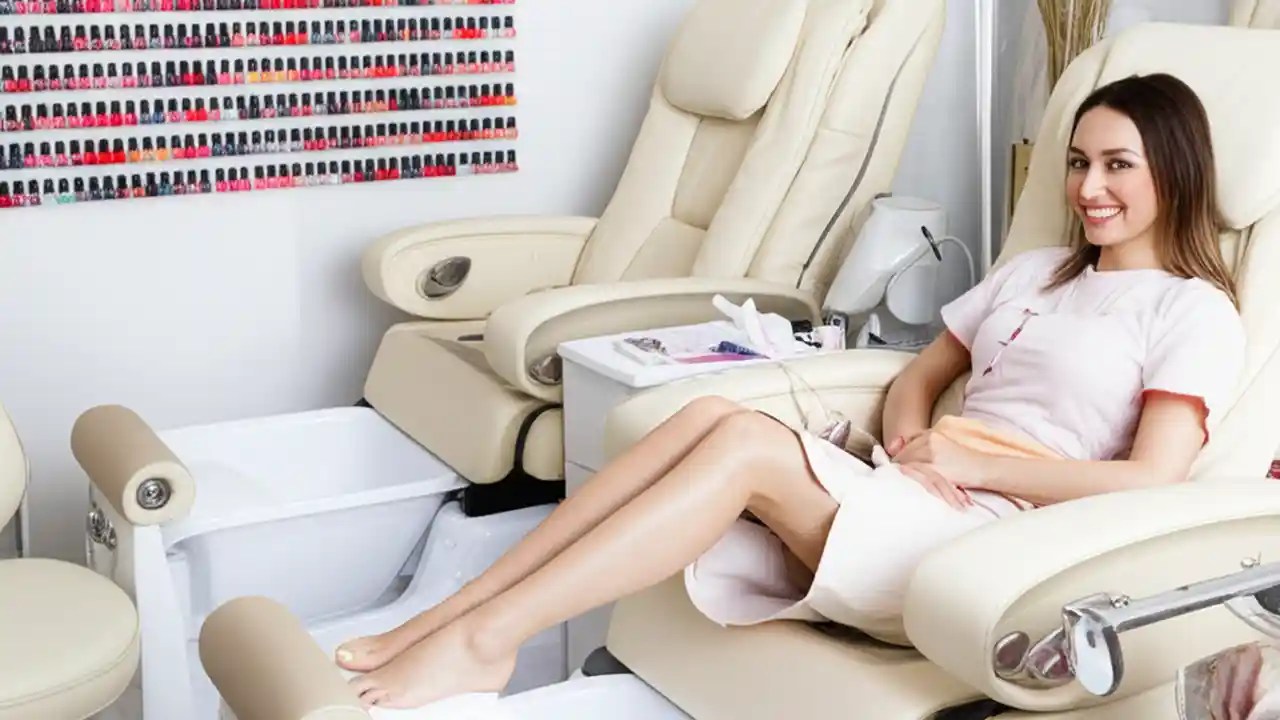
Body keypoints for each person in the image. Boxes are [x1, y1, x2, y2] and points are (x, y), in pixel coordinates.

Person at [334, 72, 1248, 710]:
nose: (1089, 186)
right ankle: (455, 615)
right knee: (705, 414)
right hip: (920, 491)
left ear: (1173, 166)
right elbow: (925, 374)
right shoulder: (1038, 271)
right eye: (1079, 162)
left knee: (739, 444)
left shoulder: (1191, 311)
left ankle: (485, 643)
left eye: (1118, 164)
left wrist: (966, 458)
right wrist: (910, 444)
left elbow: (1150, 482)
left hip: (1001, 539)